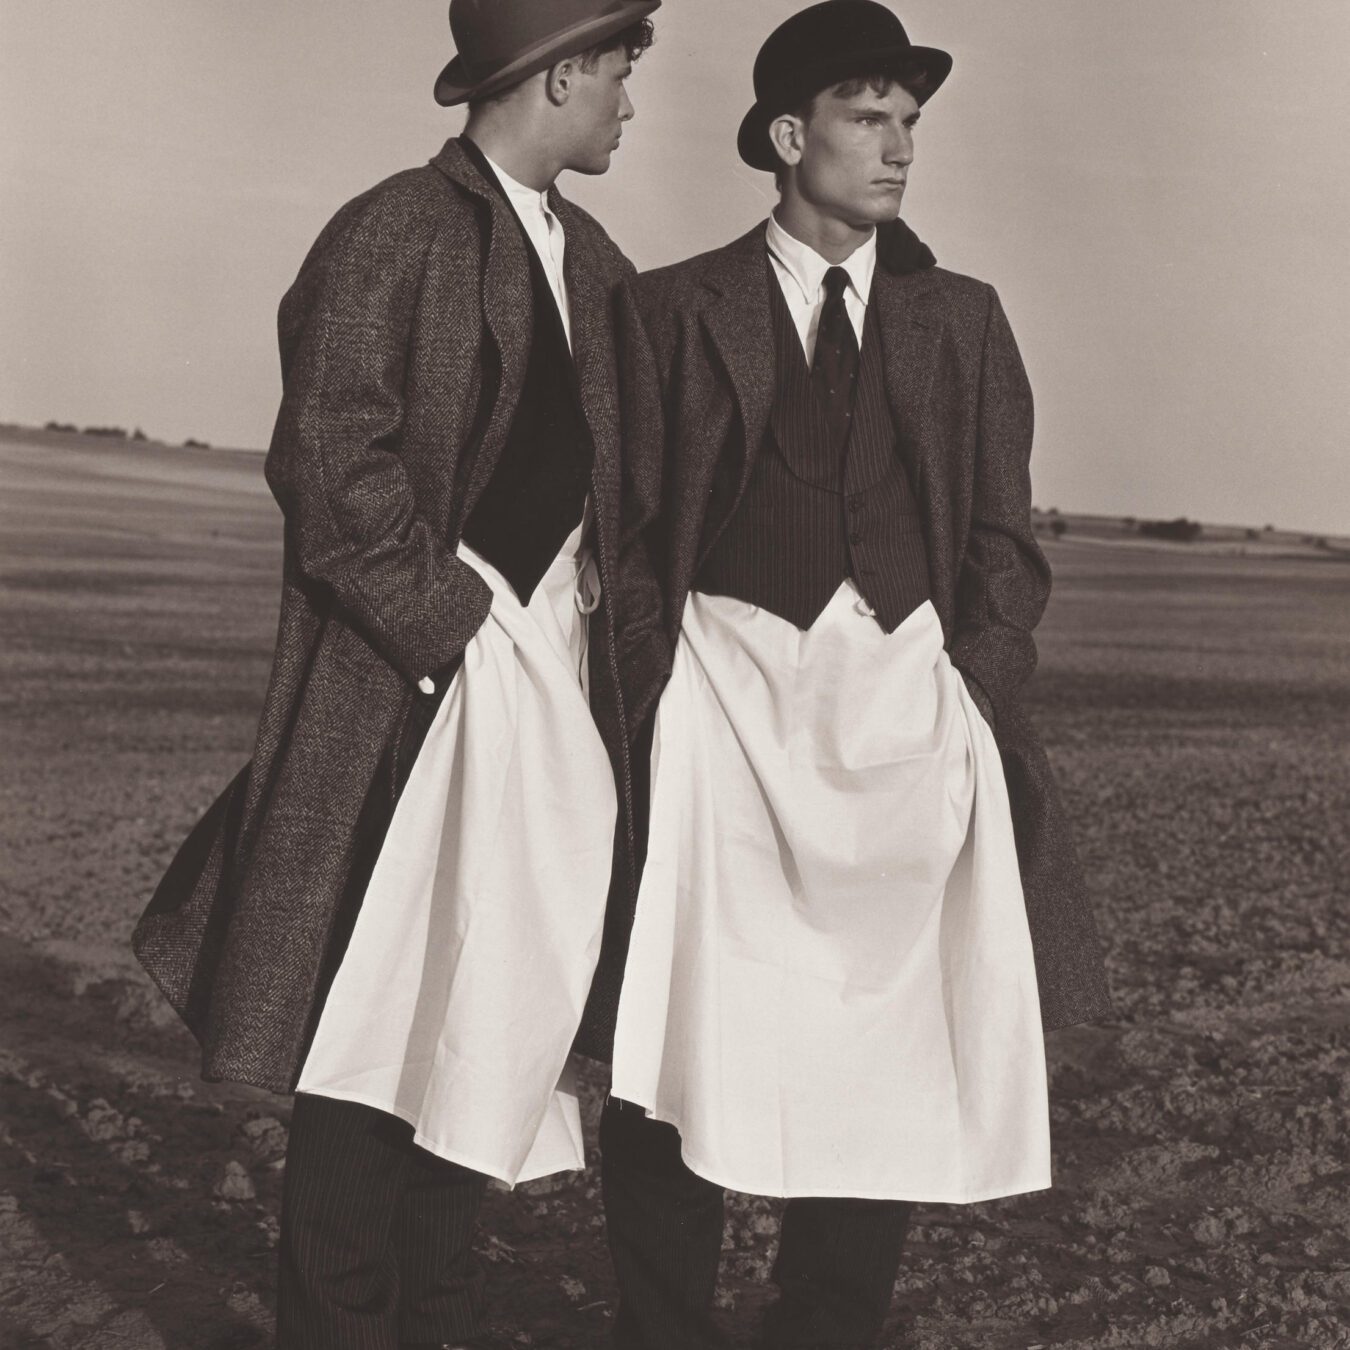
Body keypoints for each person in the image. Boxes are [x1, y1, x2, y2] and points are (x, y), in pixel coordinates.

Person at [131, 2, 668, 1346]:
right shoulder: (392, 230)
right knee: (364, 1048)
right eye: (617, 69)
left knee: (489, 1031)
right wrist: (449, 625)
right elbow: (329, 465)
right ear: (554, 75)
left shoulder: (601, 269)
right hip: (401, 701)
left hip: (548, 715)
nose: (628, 102)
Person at [598, 3, 1113, 1346]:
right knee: (677, 1035)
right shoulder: (666, 310)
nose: (895, 150)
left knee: (879, 1046)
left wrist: (970, 684)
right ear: (786, 136)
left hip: (901, 720)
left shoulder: (963, 320)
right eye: (864, 117)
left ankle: (821, 1328)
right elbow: (627, 534)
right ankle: (659, 1327)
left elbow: (1004, 539)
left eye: (908, 123)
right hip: (720, 716)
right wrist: (659, 693)